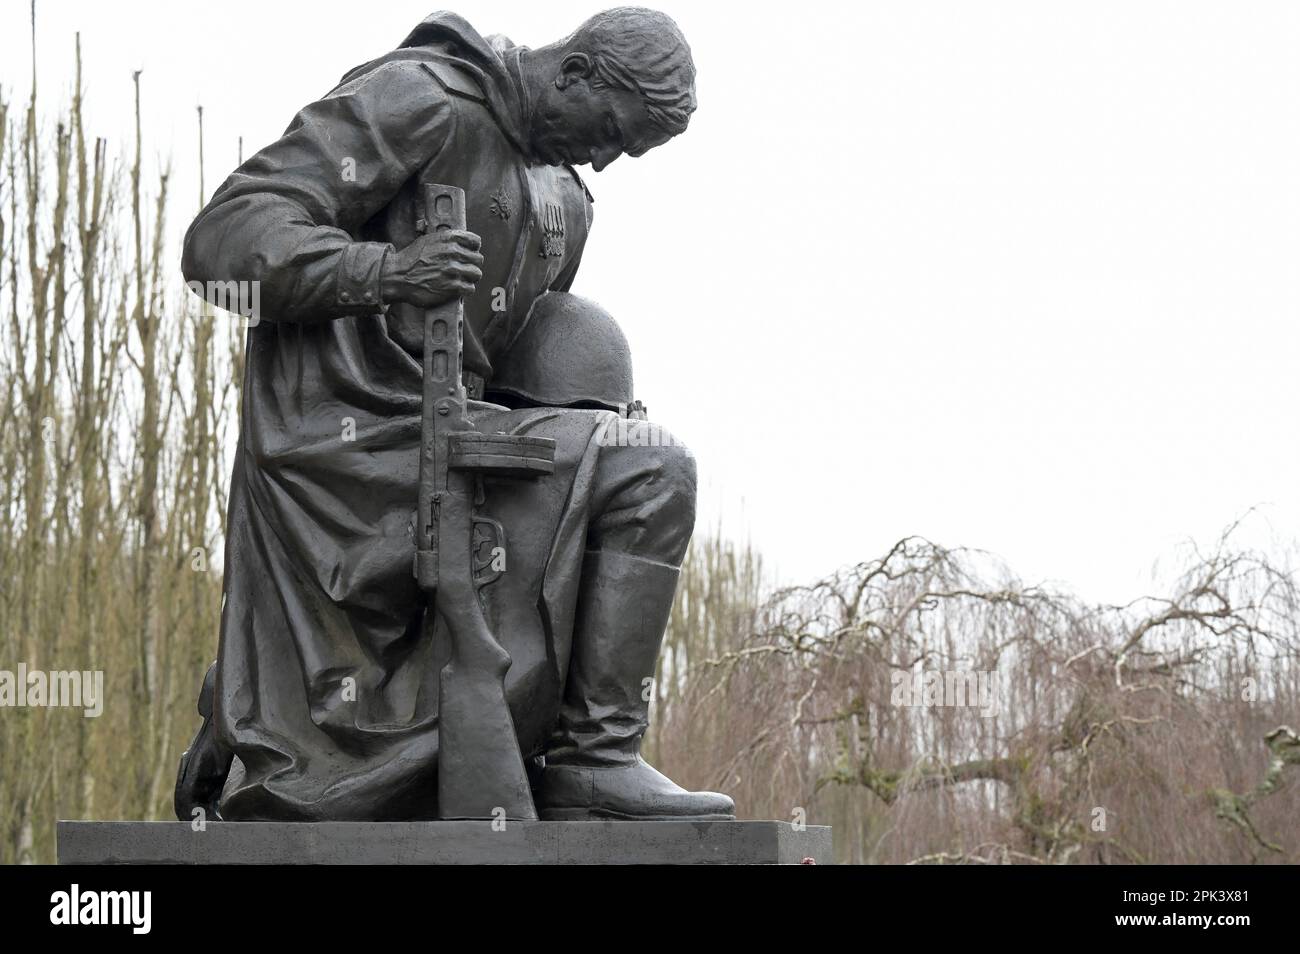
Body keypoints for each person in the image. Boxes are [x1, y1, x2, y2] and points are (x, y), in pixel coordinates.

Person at [177, 8, 733, 821]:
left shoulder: (566, 199)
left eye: (627, 152)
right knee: (652, 467)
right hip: (338, 452)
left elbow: (520, 363)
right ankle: (593, 761)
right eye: (612, 132)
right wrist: (386, 272)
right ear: (575, 72)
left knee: (640, 461)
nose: (605, 161)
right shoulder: (420, 98)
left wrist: (599, 410)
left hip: (458, 439)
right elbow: (222, 242)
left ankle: (587, 759)